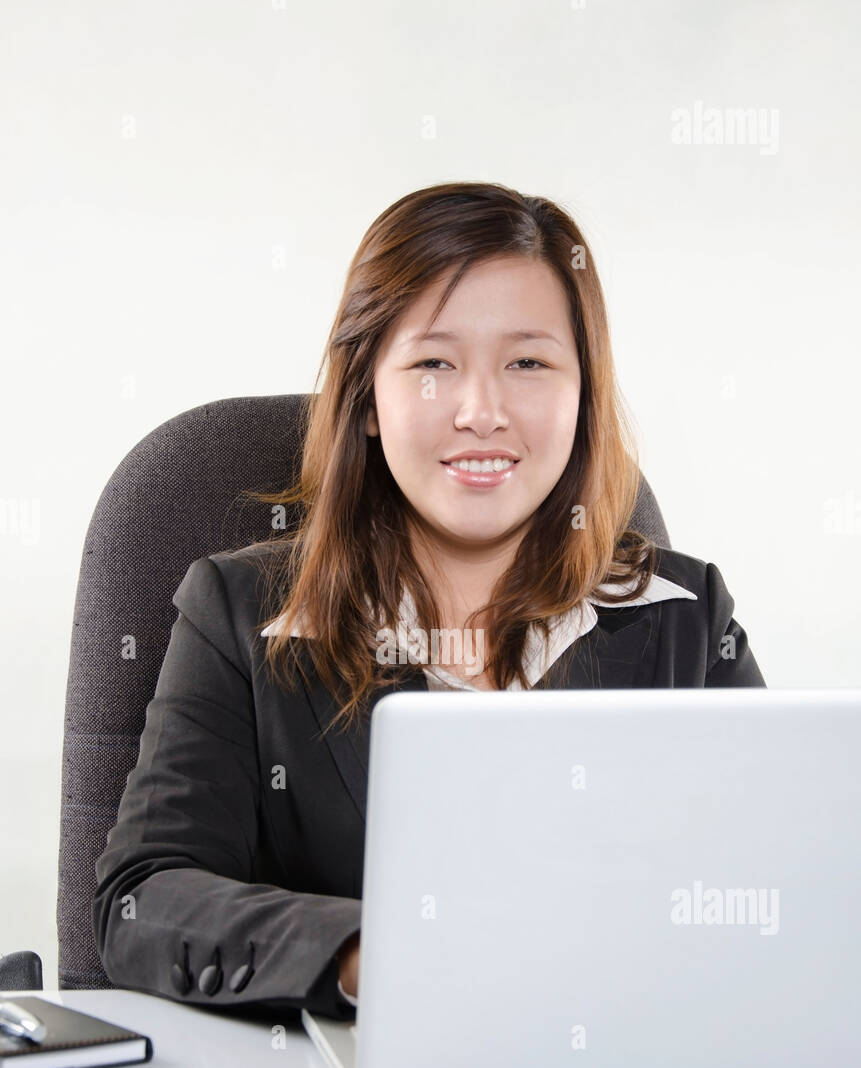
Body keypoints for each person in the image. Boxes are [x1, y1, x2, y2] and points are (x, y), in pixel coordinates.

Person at [91, 180, 766, 1021]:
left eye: (527, 362)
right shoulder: (241, 612)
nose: (481, 412)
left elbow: (769, 886)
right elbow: (143, 902)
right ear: (367, 399)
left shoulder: (685, 615)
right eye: (432, 365)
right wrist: (368, 956)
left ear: (582, 393)